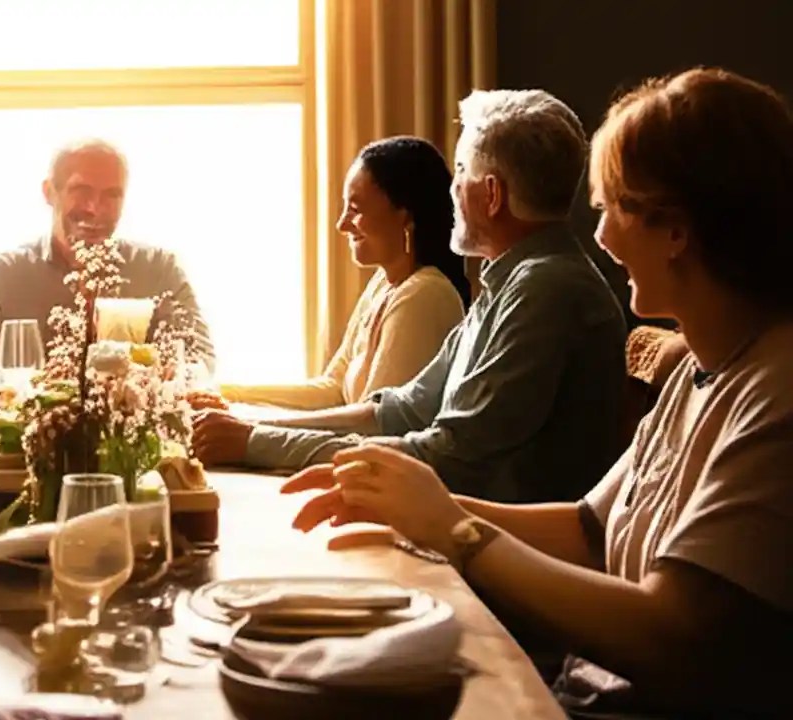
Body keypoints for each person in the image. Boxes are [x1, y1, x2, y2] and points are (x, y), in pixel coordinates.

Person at [285, 68, 793, 717]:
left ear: (678, 228)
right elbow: (589, 529)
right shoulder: (701, 365)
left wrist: (456, 529)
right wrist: (418, 506)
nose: (602, 239)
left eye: (614, 209)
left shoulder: (776, 391)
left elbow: (675, 635)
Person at [228, 90, 627, 504]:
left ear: (491, 195)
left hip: (493, 545)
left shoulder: (545, 291)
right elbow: (399, 411)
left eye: (459, 171)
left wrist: (255, 442)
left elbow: (448, 456)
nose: (450, 189)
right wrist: (255, 426)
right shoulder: (509, 283)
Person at [191, 136, 468, 469]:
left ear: (404, 216)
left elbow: (372, 430)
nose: (342, 224)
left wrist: (250, 430)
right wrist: (230, 396)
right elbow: (332, 389)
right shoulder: (385, 282)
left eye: (355, 208)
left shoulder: (424, 297)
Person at [0, 138, 215, 381]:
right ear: (49, 192)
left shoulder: (159, 271)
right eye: (81, 190)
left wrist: (149, 381)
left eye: (111, 195)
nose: (95, 208)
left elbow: (198, 360)